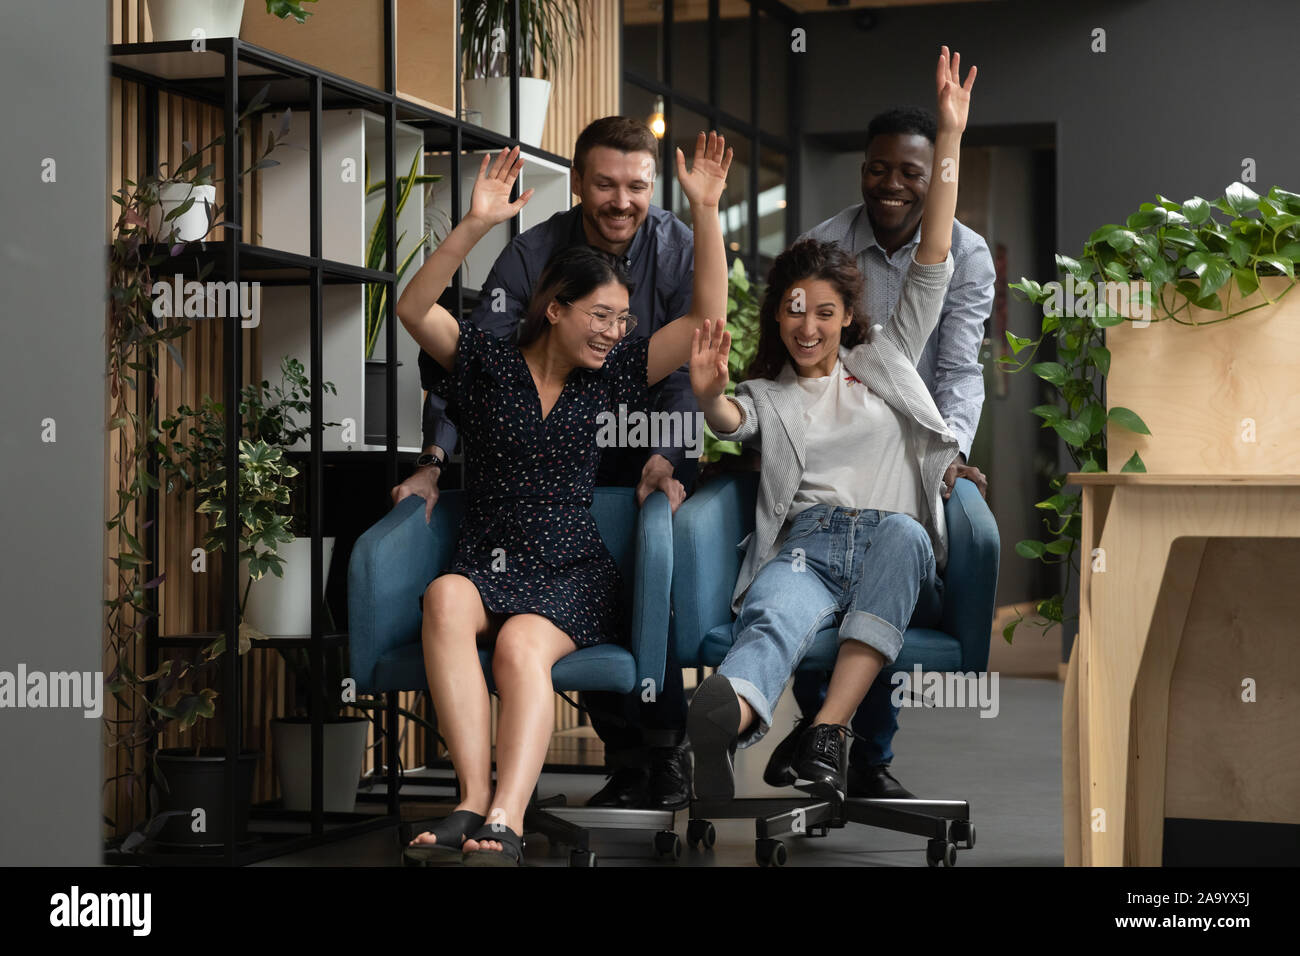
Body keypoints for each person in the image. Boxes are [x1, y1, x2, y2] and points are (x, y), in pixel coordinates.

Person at [396, 133, 730, 864]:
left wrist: (705, 211)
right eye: (601, 316)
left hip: (571, 571)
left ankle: (506, 817)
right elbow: (413, 306)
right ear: (555, 310)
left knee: (521, 644)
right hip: (487, 558)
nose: (615, 332)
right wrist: (476, 223)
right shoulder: (487, 364)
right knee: (445, 597)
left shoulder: (610, 377)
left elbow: (705, 316)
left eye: (623, 320)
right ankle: (469, 800)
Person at [686, 47, 975, 803]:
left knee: (905, 537)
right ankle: (722, 721)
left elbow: (934, 254)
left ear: (848, 316)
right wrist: (710, 394)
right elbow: (730, 419)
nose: (807, 325)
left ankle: (824, 730)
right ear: (777, 318)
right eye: (793, 311)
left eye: (823, 311)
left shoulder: (888, 358)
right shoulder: (769, 392)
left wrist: (949, 134)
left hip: (891, 542)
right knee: (772, 619)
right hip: (806, 548)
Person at [769, 100, 997, 800]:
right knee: (818, 569)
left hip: (913, 452)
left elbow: (957, 369)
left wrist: (949, 452)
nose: (890, 184)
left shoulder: (965, 254)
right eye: (877, 168)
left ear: (935, 175)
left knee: (891, 562)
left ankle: (862, 751)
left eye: (910, 172)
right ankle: (829, 735)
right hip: (839, 448)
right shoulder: (824, 244)